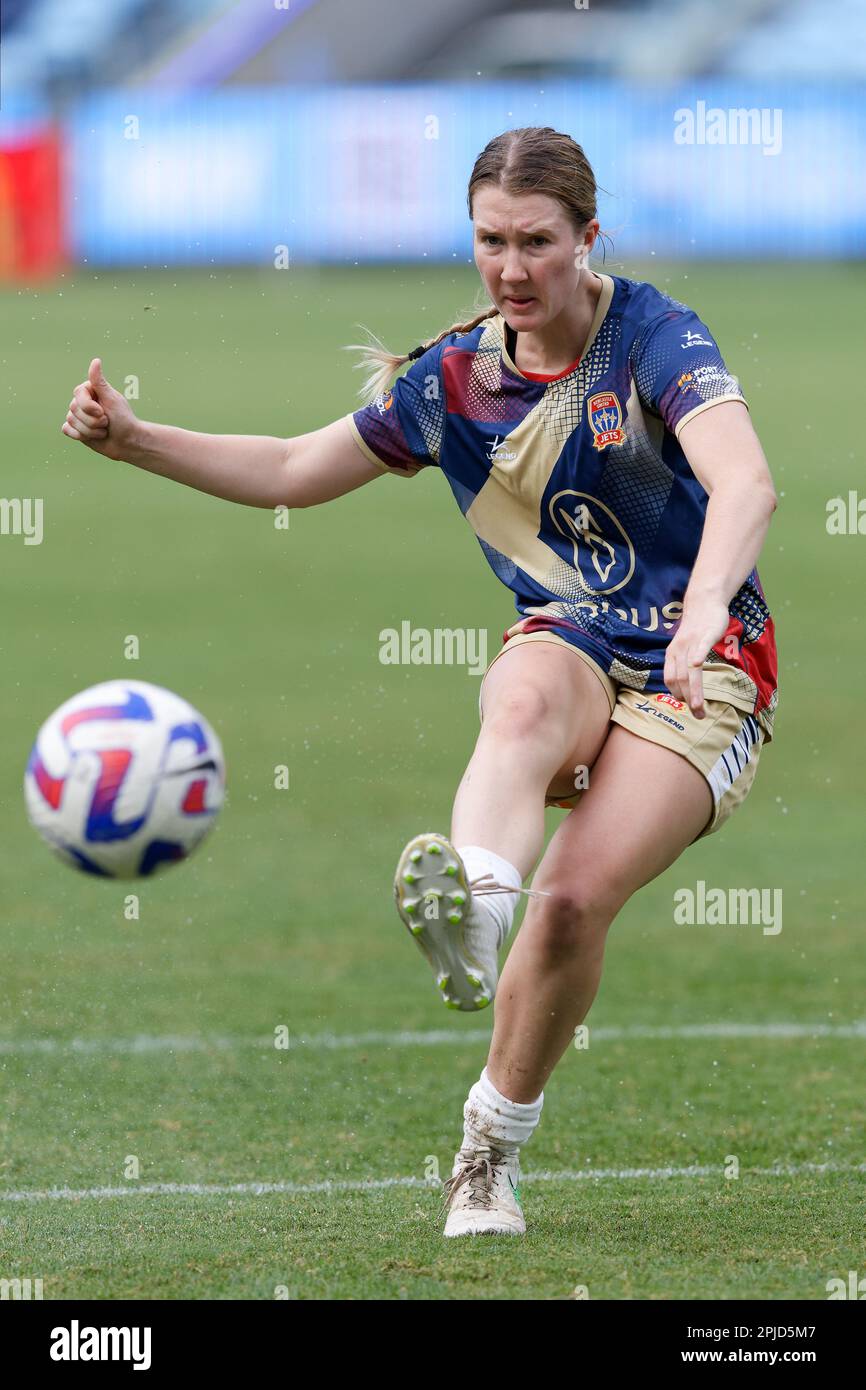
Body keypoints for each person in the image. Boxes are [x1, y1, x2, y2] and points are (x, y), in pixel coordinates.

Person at [61, 125, 778, 1241]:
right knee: (524, 694)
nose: (510, 268)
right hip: (575, 638)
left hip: (708, 667)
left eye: (537, 242)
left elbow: (745, 483)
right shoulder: (453, 375)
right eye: (489, 240)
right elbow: (301, 466)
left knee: (578, 898)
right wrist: (137, 440)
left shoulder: (651, 336)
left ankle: (488, 1143)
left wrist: (695, 620)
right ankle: (478, 908)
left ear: (589, 238)